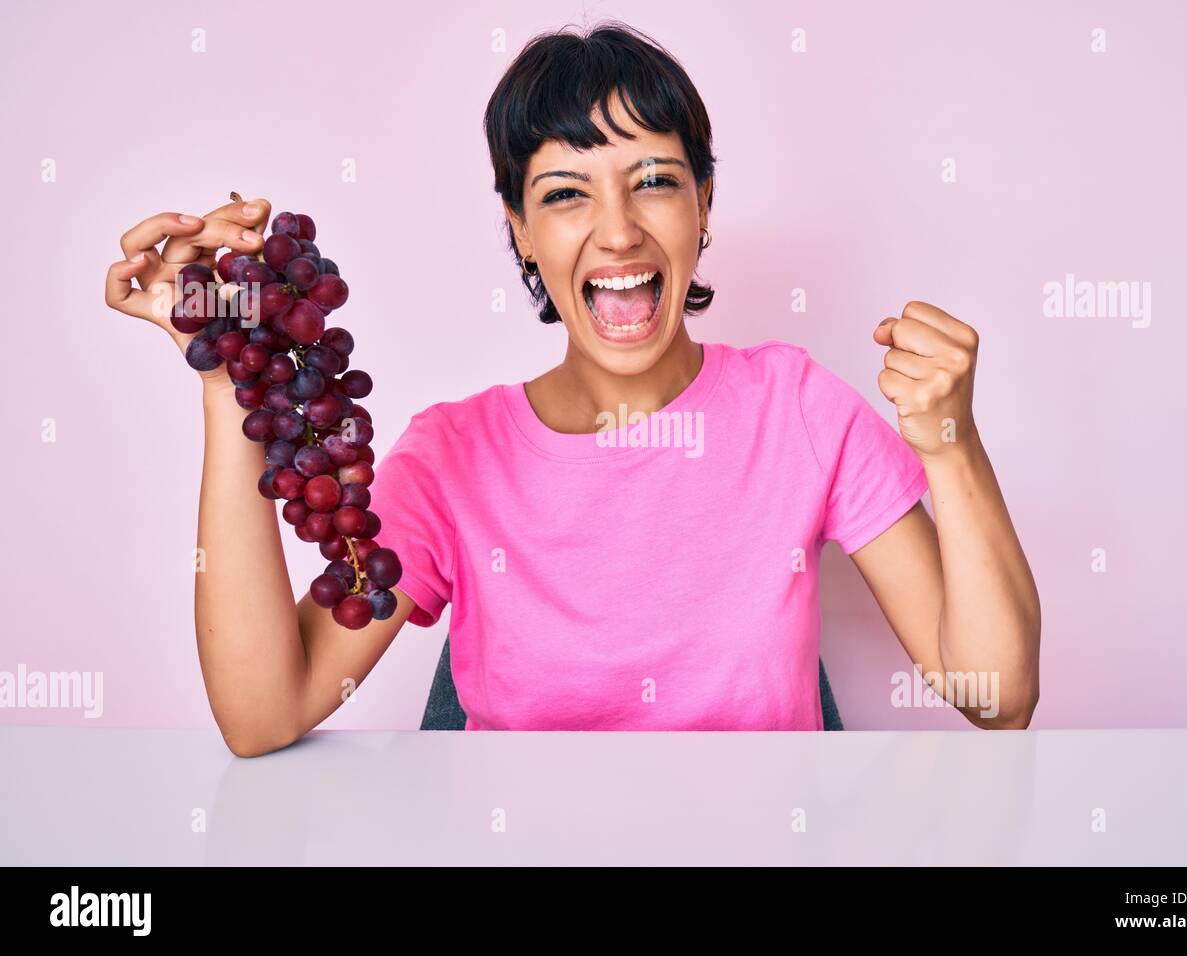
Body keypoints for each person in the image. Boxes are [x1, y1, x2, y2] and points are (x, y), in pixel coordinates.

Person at [103, 21, 1040, 752]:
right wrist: (230, 377)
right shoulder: (453, 457)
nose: (619, 231)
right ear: (519, 228)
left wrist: (951, 442)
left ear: (704, 205)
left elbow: (997, 697)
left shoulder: (798, 411)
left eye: (655, 181)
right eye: (564, 193)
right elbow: (263, 714)